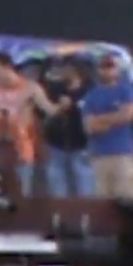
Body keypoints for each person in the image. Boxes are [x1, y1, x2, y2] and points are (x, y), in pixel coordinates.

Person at [0, 52, 59, 198]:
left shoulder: (30, 87)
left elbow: (49, 109)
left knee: (22, 191)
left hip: (21, 147)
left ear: (9, 67)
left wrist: (63, 105)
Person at [80, 54, 133, 197]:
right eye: (103, 67)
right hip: (98, 154)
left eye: (110, 66)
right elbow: (89, 127)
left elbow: (127, 115)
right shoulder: (91, 95)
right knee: (101, 200)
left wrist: (100, 119)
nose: (107, 70)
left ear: (117, 69)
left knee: (127, 198)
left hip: (122, 152)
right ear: (97, 70)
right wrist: (114, 118)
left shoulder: (126, 90)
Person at [42, 57, 95, 197]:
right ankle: (61, 215)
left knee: (84, 186)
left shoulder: (89, 90)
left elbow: (91, 112)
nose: (62, 72)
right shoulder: (55, 89)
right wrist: (59, 106)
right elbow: (47, 111)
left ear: (74, 70)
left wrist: (74, 105)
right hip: (57, 144)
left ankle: (84, 214)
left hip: (81, 144)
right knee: (57, 187)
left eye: (65, 68)